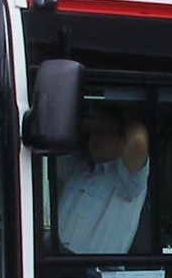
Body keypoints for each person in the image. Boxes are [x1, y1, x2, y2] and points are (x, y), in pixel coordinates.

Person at [56, 107, 160, 254]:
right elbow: (58, 137)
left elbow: (137, 141)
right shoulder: (78, 168)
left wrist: (121, 111)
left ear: (123, 138)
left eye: (106, 132)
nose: (96, 138)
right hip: (57, 264)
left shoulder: (128, 181)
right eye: (93, 132)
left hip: (96, 272)